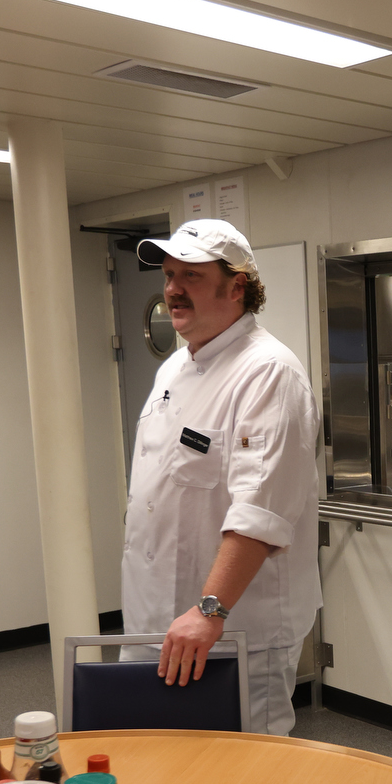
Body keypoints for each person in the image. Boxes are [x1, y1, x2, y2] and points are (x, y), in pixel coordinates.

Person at [122, 220, 318, 735]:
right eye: (167, 274)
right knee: (166, 769)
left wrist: (210, 610)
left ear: (237, 287)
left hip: (232, 629)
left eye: (190, 274)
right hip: (158, 622)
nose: (171, 289)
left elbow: (261, 510)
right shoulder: (174, 368)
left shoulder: (268, 371)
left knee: (245, 782)